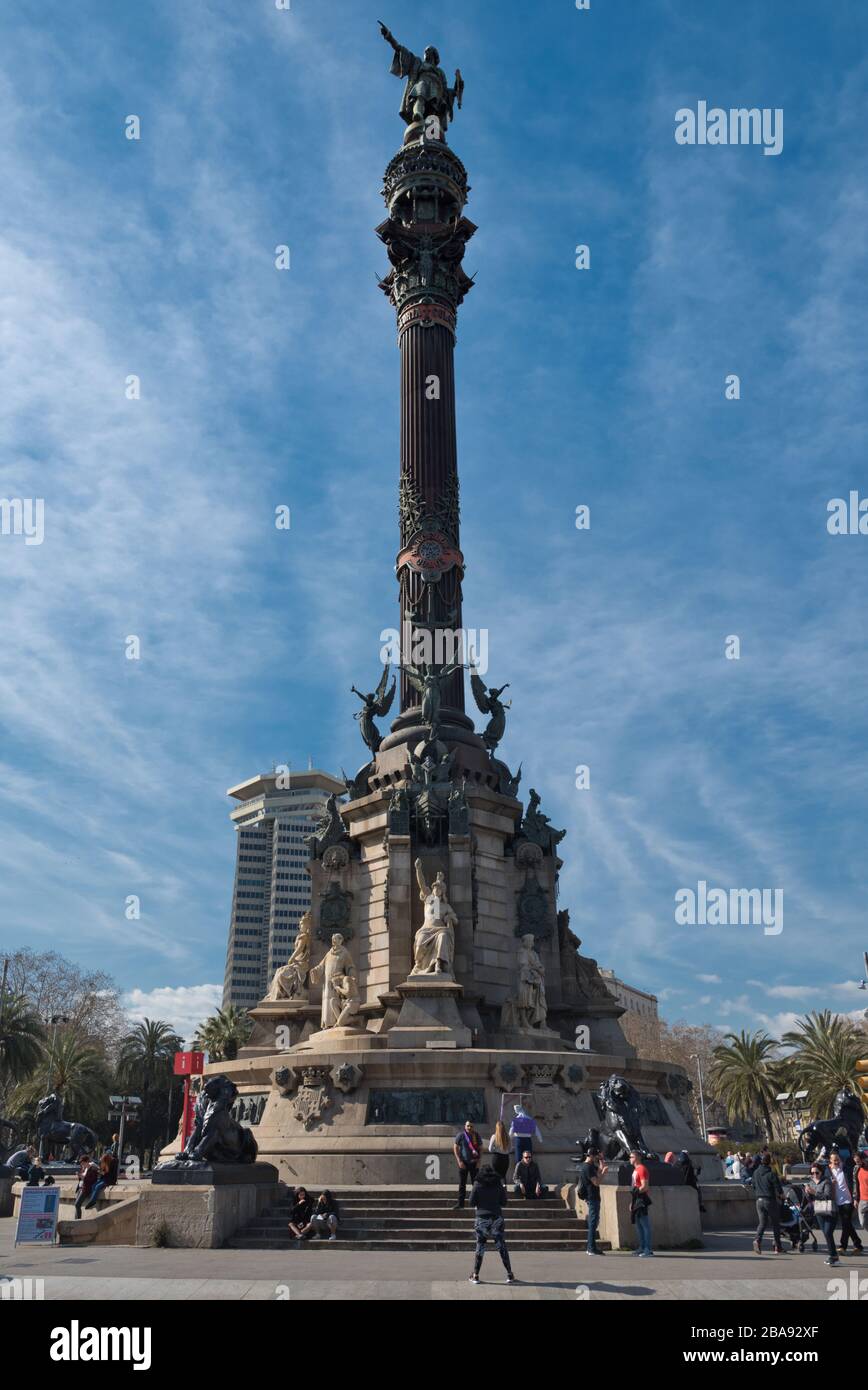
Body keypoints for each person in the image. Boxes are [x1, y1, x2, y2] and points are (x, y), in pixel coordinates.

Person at [468, 1164, 515, 1285]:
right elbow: (504, 1202)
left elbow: (471, 1202)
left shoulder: (477, 1184)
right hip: (496, 1218)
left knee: (480, 1246)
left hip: (481, 1219)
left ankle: (476, 1275)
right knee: (501, 1246)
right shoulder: (498, 1184)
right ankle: (509, 1274)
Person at [828, 1151, 863, 1253]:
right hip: (836, 1201)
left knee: (845, 1222)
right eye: (834, 1160)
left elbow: (855, 1182)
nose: (836, 1162)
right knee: (847, 1224)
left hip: (848, 1200)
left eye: (838, 1159)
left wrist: (856, 1197)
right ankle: (858, 1244)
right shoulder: (828, 1172)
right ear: (830, 1161)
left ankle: (843, 1246)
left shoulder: (847, 1169)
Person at [575, 1145, 607, 1254]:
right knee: (593, 1223)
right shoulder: (587, 1167)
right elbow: (596, 1182)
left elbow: (600, 1170)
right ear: (592, 1156)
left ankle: (592, 1247)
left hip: (593, 1197)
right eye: (596, 1157)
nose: (596, 1159)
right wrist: (604, 1174)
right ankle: (590, 1248)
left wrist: (602, 1160)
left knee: (594, 1222)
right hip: (591, 1197)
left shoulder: (590, 1166)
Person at [750, 1152, 784, 1254]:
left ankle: (757, 1240)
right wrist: (782, 1195)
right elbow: (778, 1188)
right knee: (775, 1223)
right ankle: (777, 1246)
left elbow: (753, 1185)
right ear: (770, 1162)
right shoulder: (771, 1174)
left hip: (759, 1201)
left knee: (762, 1223)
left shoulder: (755, 1172)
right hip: (769, 1200)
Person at [807, 1162, 839, 1266]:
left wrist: (814, 1192)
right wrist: (807, 1193)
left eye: (817, 1172)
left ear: (821, 1172)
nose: (815, 1175)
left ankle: (832, 1256)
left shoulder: (826, 1181)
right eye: (812, 1173)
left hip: (830, 1211)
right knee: (826, 1234)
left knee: (828, 1232)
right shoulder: (811, 1182)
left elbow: (827, 1196)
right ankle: (834, 1255)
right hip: (819, 1210)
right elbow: (810, 1199)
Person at [452, 1119, 483, 1209]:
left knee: (476, 1184)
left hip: (474, 1163)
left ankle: (477, 1203)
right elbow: (455, 1147)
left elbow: (481, 1148)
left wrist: (479, 1162)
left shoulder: (476, 1135)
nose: (469, 1127)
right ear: (465, 1126)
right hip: (464, 1163)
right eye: (468, 1126)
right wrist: (459, 1161)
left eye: (471, 1126)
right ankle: (461, 1204)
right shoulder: (461, 1135)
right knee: (462, 1184)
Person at [629, 1149, 653, 1256]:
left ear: (638, 1158)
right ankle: (642, 1247)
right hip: (636, 1199)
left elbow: (645, 1186)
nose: (630, 1159)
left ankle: (648, 1249)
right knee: (638, 1225)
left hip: (641, 1199)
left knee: (644, 1225)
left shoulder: (642, 1169)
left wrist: (636, 1192)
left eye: (631, 1157)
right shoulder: (635, 1170)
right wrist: (632, 1201)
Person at [73, 1155, 100, 1220]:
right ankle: (76, 1219)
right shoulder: (85, 1168)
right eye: (81, 1163)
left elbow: (92, 1180)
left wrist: (82, 1177)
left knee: (77, 1204)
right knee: (76, 1205)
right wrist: (80, 1176)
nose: (81, 1164)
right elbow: (83, 1178)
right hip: (81, 1187)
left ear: (87, 1161)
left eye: (83, 1163)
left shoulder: (93, 1169)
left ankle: (78, 1220)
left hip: (86, 1189)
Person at [855, 1151, 868, 1236]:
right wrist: (856, 1198)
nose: (857, 1163)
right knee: (863, 1222)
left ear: (864, 1159)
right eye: (855, 1162)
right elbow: (855, 1184)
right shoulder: (856, 1168)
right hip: (862, 1200)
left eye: (858, 1161)